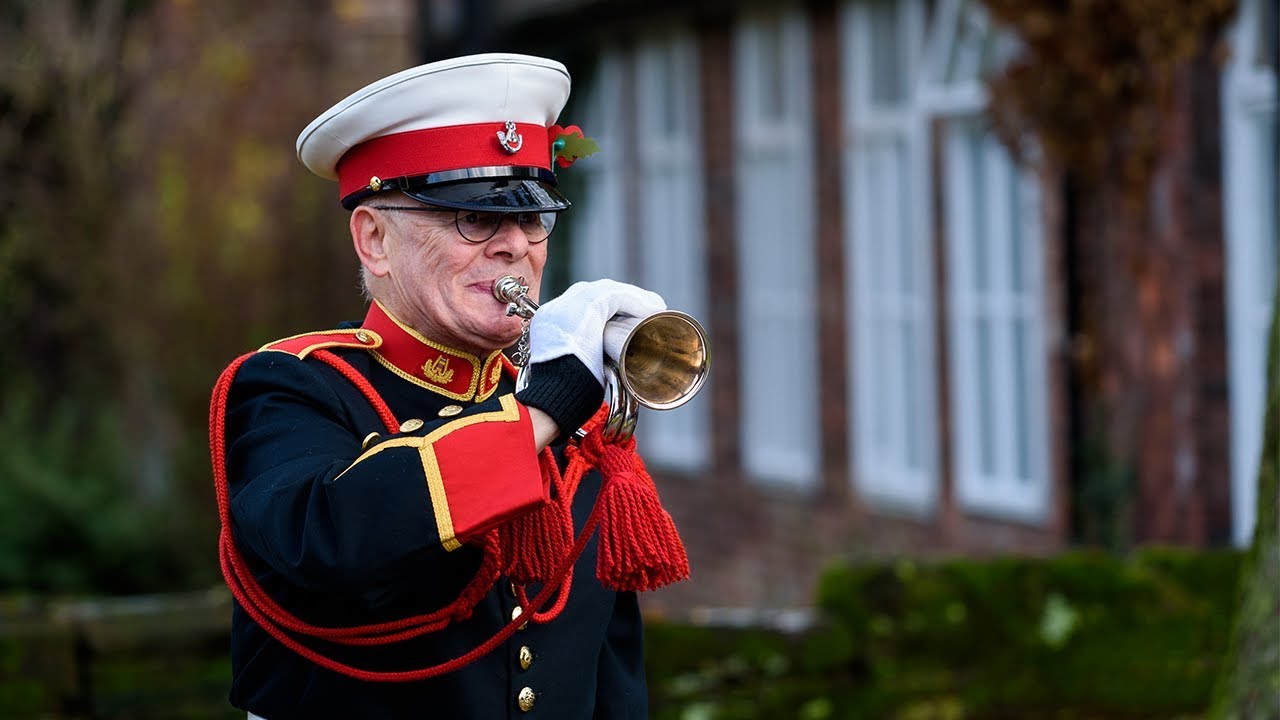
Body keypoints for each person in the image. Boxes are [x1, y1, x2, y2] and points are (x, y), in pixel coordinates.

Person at [209, 53, 690, 719]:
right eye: (475, 218)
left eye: (532, 218)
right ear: (375, 240)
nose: (516, 246)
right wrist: (542, 410)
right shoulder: (289, 388)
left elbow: (613, 679)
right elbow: (331, 541)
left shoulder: (567, 423)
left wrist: (552, 406)